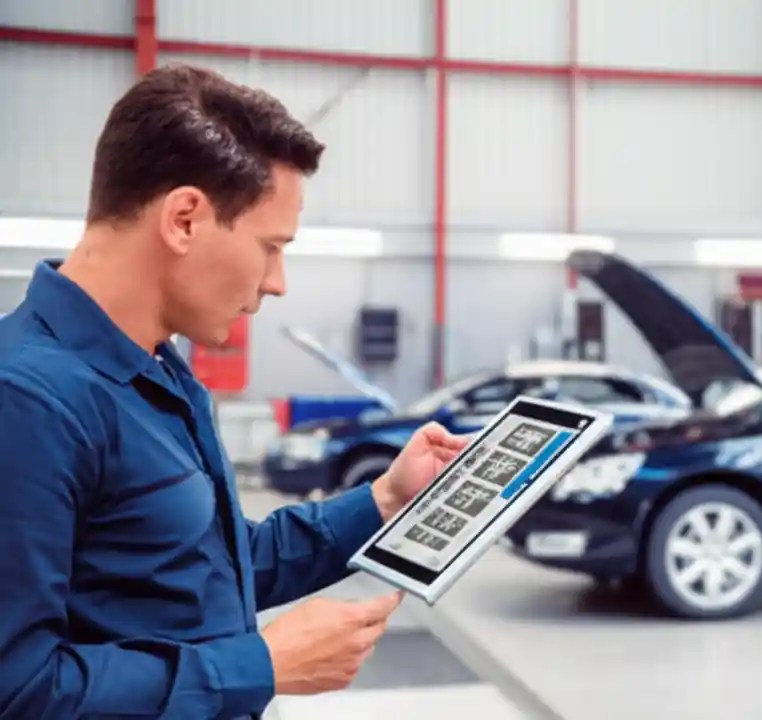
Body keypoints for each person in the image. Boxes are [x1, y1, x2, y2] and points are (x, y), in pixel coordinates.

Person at [0, 63, 467, 718]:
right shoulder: (26, 401)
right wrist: (261, 666)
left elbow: (212, 564)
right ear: (185, 219)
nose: (278, 282)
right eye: (271, 247)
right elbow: (18, 690)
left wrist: (385, 499)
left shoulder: (156, 370)